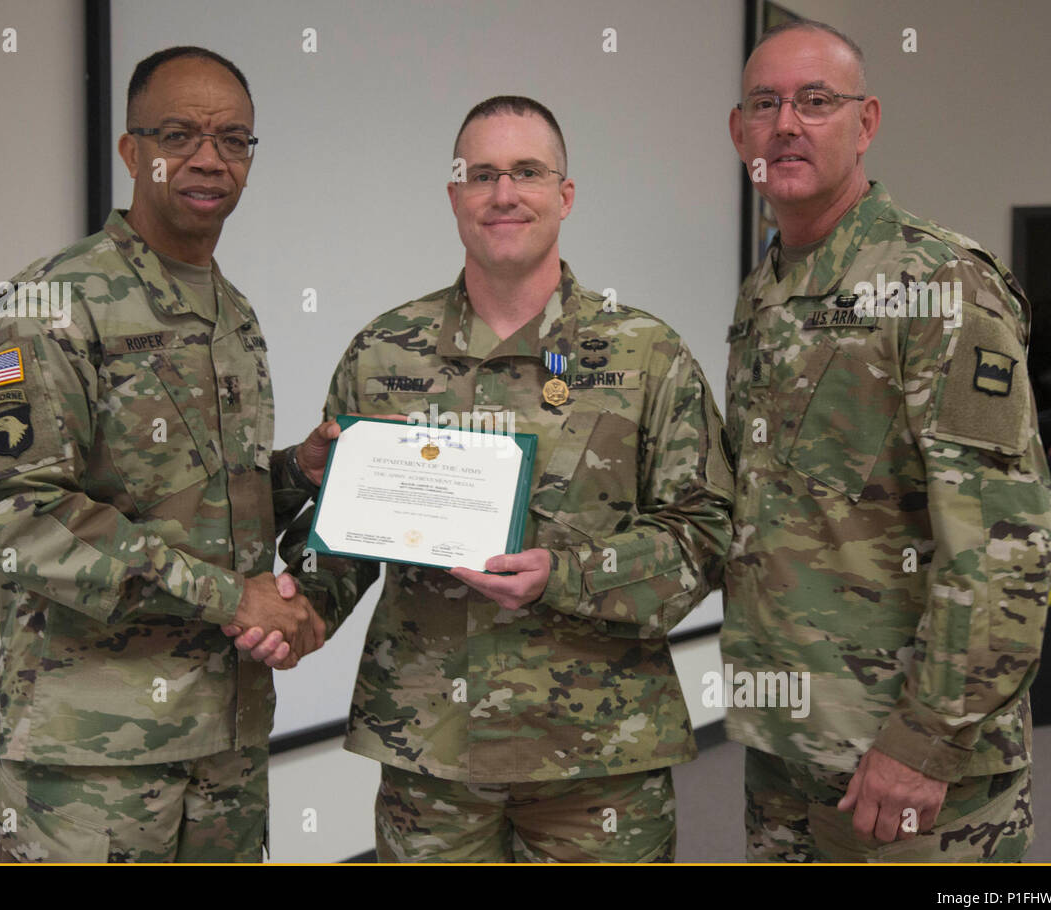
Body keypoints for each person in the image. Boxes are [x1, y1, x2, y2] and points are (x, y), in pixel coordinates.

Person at [286, 95, 734, 863]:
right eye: (482, 174)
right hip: (428, 753)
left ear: (565, 195)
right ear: (454, 195)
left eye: (527, 172)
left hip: (601, 759)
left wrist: (569, 574)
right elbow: (347, 529)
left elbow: (707, 531)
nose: (503, 193)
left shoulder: (646, 354)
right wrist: (300, 603)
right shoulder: (385, 353)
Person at [0, 46, 335, 863]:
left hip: (227, 746)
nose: (209, 157)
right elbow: (22, 515)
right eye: (180, 133)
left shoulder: (233, 313)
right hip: (93, 761)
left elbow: (202, 503)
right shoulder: (51, 306)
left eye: (235, 139)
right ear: (134, 152)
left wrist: (295, 475)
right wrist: (231, 598)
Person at [722, 19, 1051, 862]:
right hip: (792, 745)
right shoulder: (766, 291)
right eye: (765, 104)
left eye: (816, 101)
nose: (787, 123)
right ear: (740, 133)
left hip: (911, 768)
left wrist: (923, 742)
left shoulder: (939, 283)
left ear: (865, 123)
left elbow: (1007, 551)